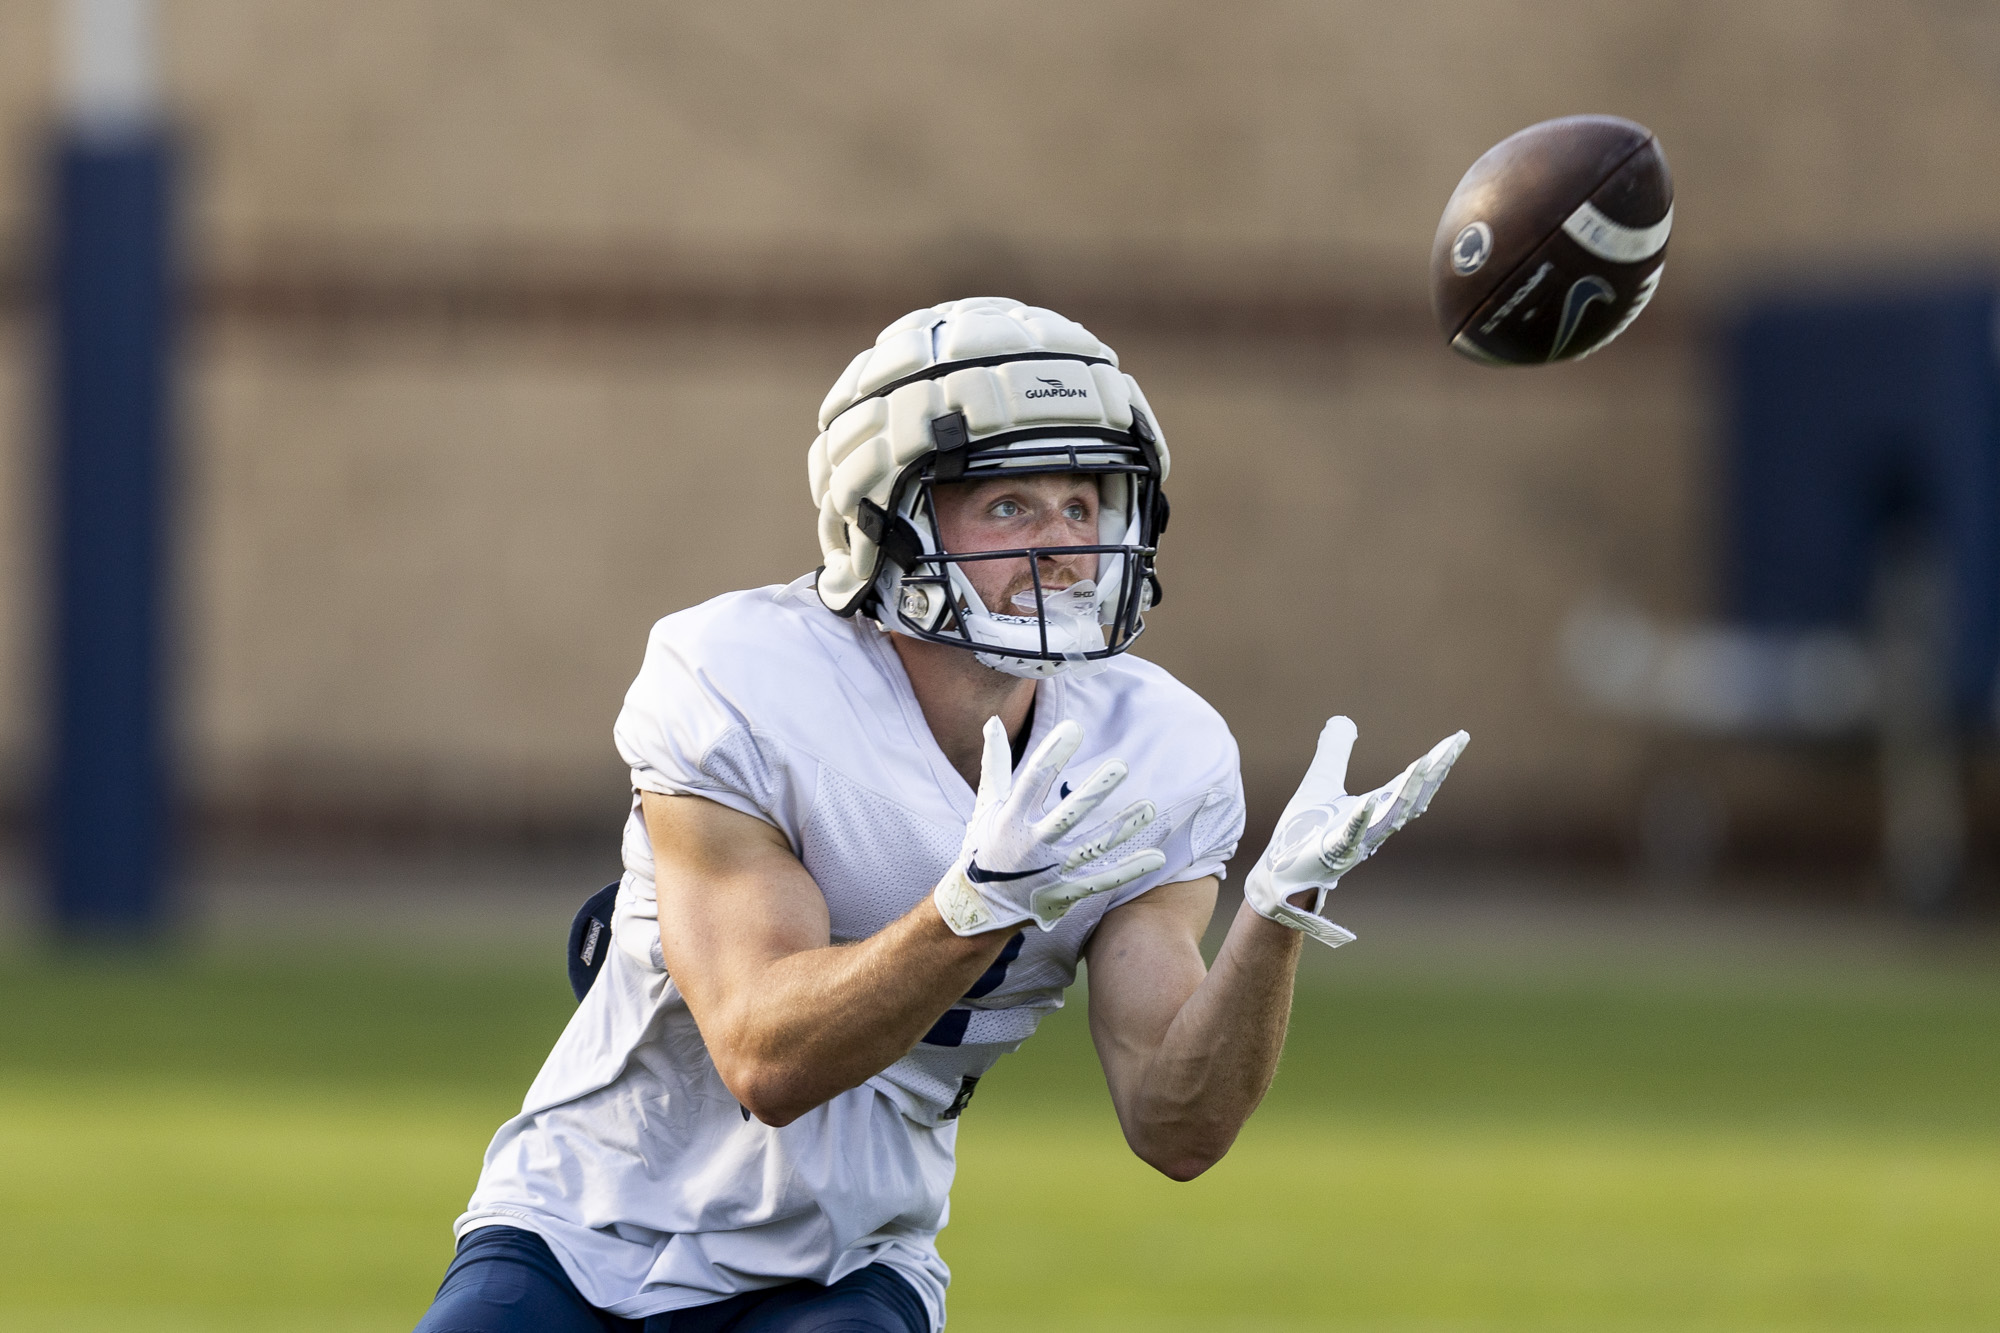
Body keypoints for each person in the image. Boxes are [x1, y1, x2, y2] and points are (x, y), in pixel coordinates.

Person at [413, 298, 1468, 1333]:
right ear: (884, 519)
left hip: (843, 1265)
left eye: (1084, 502)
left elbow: (1175, 1122)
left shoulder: (1157, 748)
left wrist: (1273, 919)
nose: (1063, 547)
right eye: (1008, 504)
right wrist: (970, 907)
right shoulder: (742, 677)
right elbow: (762, 1057)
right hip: (577, 1225)